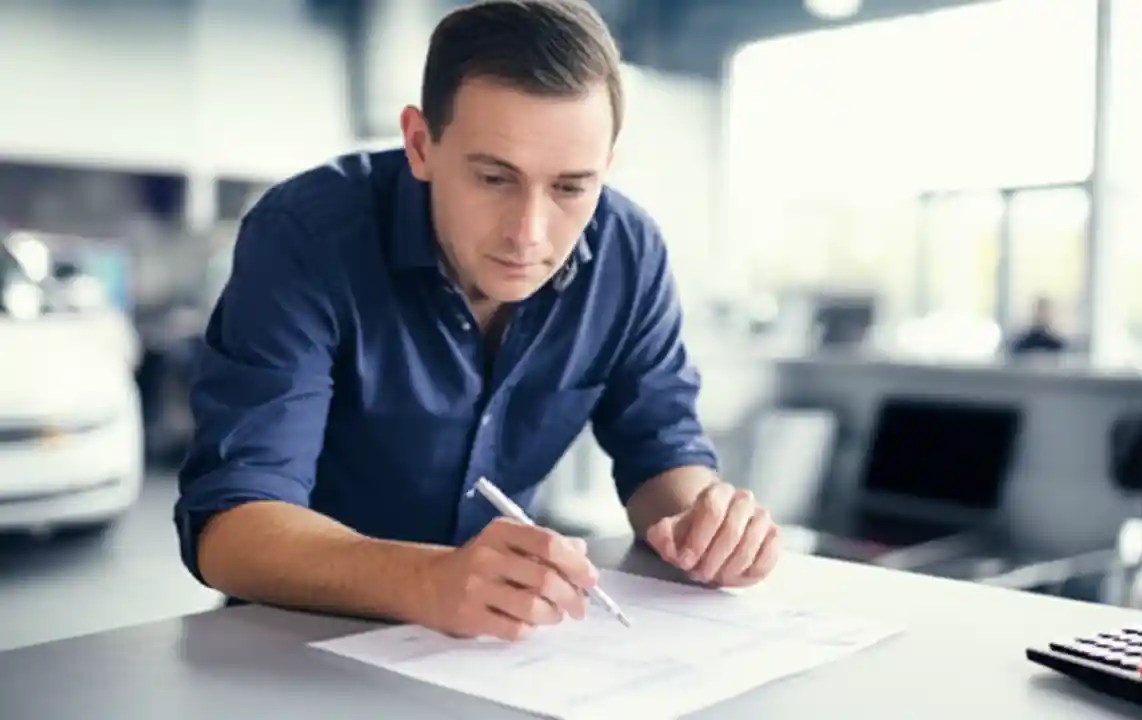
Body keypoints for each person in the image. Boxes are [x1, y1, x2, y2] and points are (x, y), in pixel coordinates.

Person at [174, 0, 781, 642]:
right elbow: (230, 529)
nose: (529, 234)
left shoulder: (629, 251)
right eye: (494, 177)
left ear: (607, 164)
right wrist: (427, 580)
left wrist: (703, 524)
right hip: (297, 635)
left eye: (572, 187)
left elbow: (662, 449)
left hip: (508, 643)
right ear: (420, 144)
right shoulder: (306, 235)